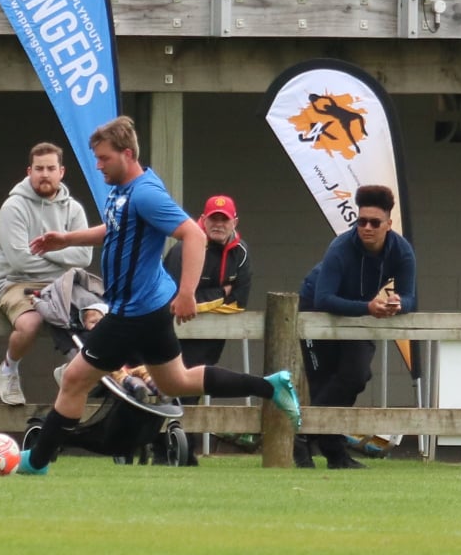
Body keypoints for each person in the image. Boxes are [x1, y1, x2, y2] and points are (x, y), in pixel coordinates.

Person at [15, 117, 300, 474]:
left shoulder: (146, 193)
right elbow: (116, 229)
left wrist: (187, 294)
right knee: (175, 381)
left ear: (127, 154)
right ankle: (271, 387)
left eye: (104, 158)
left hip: (133, 313)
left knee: (74, 379)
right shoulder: (123, 190)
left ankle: (37, 461)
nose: (99, 165)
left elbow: (192, 235)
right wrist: (67, 238)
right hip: (146, 310)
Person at [294, 185, 415, 470]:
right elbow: (324, 298)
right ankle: (333, 454)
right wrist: (368, 308)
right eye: (361, 221)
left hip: (358, 313)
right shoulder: (340, 248)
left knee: (355, 375)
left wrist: (399, 304)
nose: (367, 228)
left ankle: (300, 436)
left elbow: (411, 296)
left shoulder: (401, 251)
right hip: (316, 310)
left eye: (375, 222)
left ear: (389, 224)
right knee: (323, 381)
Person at [0, 143, 92, 406]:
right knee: (31, 324)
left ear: (61, 171)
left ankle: (73, 370)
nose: (44, 174)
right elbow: (19, 260)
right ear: (29, 171)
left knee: (97, 317)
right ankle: (8, 369)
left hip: (64, 283)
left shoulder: (74, 210)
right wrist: (62, 258)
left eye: (50, 168)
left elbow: (84, 257)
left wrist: (45, 250)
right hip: (16, 283)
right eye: (39, 169)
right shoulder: (13, 207)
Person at [169, 195, 253, 368]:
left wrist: (196, 300)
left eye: (225, 219)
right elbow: (176, 304)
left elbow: (238, 303)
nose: (219, 224)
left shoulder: (241, 253)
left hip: (212, 339)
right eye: (214, 218)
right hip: (173, 336)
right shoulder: (183, 249)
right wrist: (223, 292)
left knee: (196, 389)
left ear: (234, 223)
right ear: (203, 220)